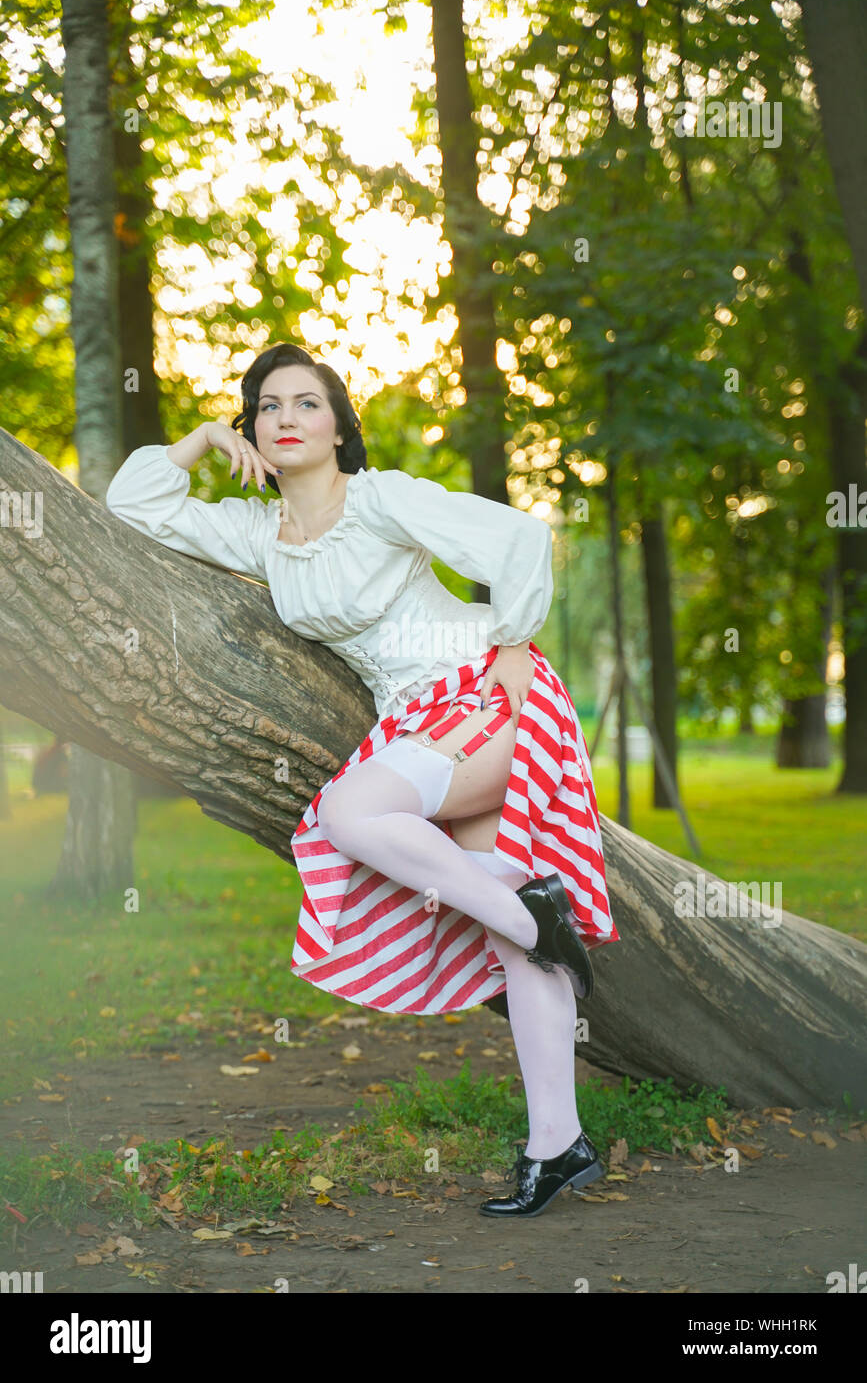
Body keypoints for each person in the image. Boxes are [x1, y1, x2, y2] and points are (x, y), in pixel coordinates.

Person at [105, 341, 621, 1218]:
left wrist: (508, 642)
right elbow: (131, 503)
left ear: (340, 427)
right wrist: (193, 440)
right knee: (509, 922)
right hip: (412, 723)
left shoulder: (378, 499)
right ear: (252, 431)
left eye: (305, 403)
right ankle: (557, 1143)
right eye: (266, 406)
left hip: (482, 695)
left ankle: (529, 911)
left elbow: (519, 535)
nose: (285, 418)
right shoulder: (254, 531)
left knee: (349, 812)